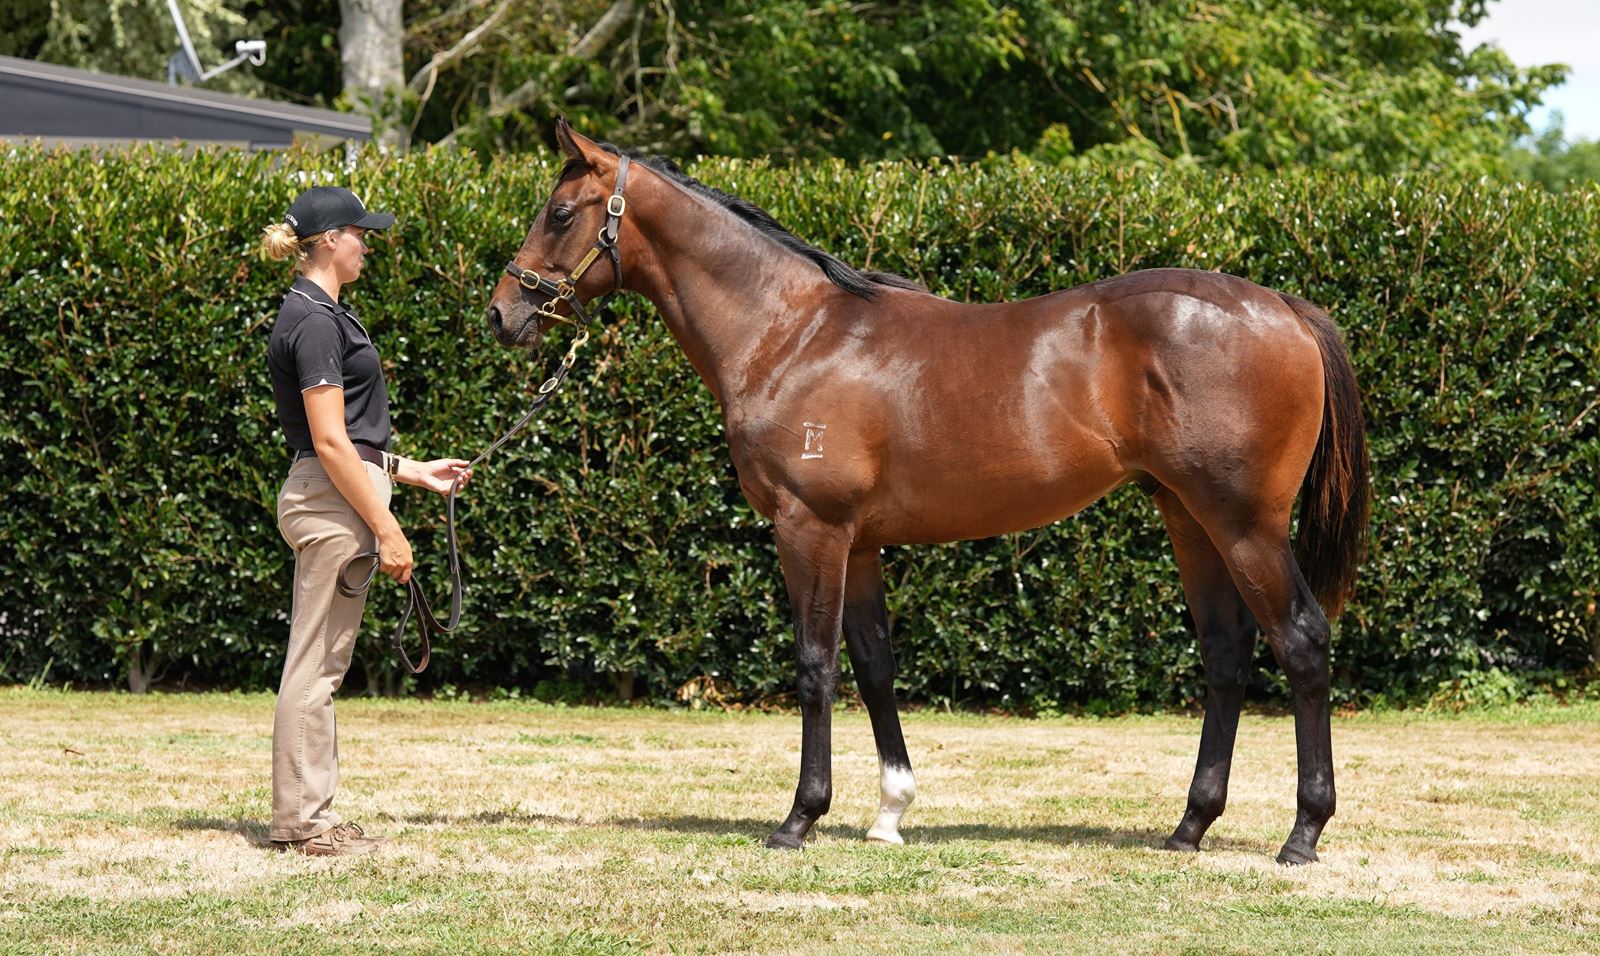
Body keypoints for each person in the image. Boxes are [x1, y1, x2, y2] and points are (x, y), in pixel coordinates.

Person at [259, 186, 470, 856]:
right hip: (333, 503)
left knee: (323, 662)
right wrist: (387, 528)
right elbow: (327, 443)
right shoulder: (316, 321)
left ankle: (310, 815)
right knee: (315, 665)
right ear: (327, 241)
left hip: (335, 493)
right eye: (358, 232)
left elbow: (349, 436)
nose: (366, 243)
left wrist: (412, 470)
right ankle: (303, 824)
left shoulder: (317, 312)